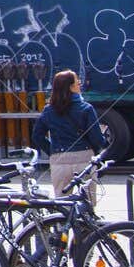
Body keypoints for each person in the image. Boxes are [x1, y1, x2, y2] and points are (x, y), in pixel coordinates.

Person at [31, 70, 109, 207]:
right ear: (71, 87)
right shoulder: (86, 108)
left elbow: (37, 136)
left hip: (59, 160)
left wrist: (53, 151)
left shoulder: (48, 110)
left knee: (62, 205)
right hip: (84, 160)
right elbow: (97, 139)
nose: (80, 85)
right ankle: (86, 228)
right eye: (78, 83)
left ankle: (62, 227)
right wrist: (100, 148)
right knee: (87, 206)